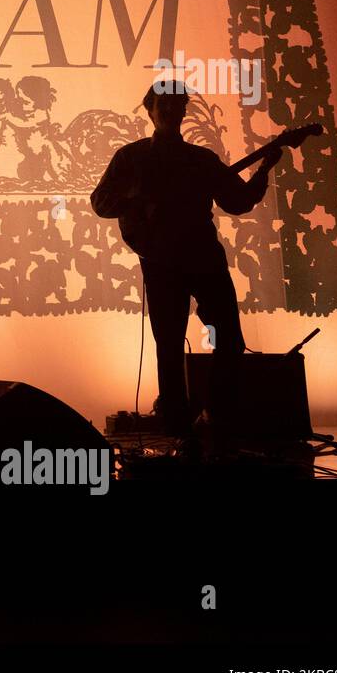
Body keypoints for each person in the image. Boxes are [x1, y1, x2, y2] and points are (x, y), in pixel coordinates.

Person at [90, 82, 281, 449]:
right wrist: (137, 198)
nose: (170, 111)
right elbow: (101, 203)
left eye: (177, 105)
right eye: (164, 105)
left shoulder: (201, 159)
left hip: (203, 257)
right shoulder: (130, 158)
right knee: (168, 344)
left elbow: (237, 202)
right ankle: (179, 426)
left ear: (183, 111)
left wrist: (263, 169)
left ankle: (217, 416)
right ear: (150, 109)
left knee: (230, 338)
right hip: (161, 260)